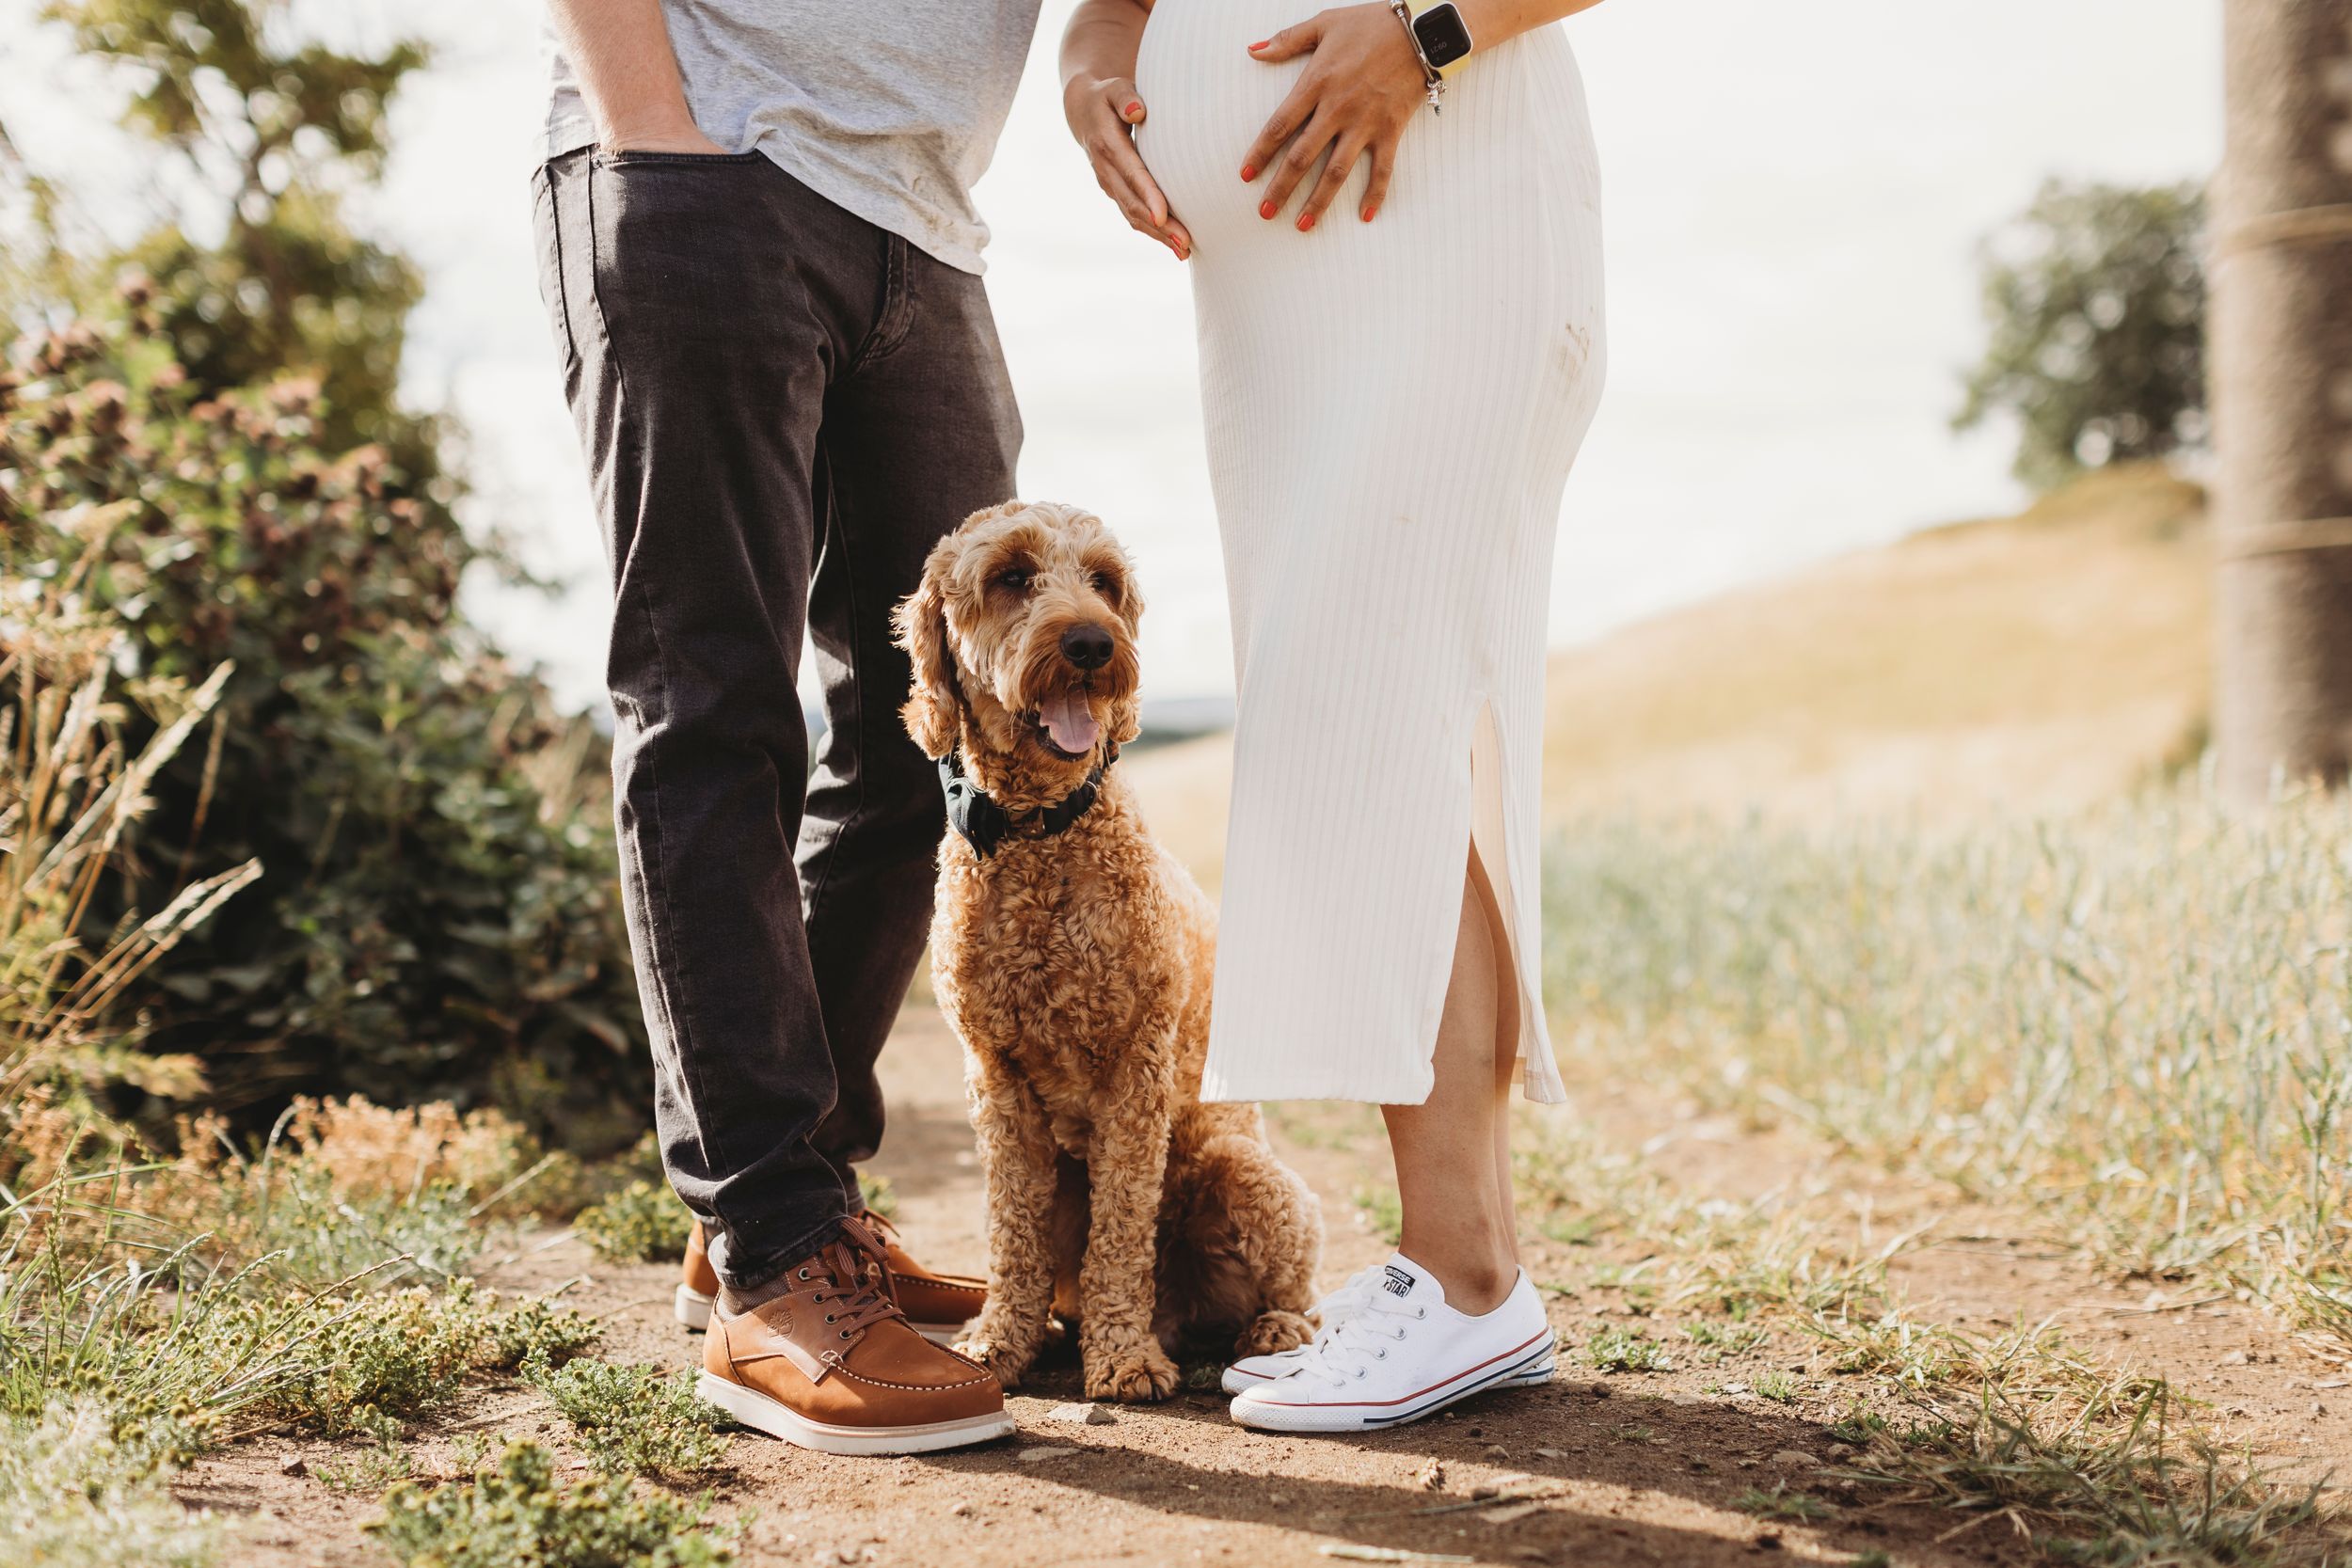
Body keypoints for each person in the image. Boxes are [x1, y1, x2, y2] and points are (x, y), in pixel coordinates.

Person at [1060, 0, 1611, 1431]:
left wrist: (1429, 31)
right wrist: (1094, 57)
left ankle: (1469, 1275)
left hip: (1439, 211)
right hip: (1289, 284)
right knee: (1371, 724)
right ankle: (1468, 1277)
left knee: (1369, 714)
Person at [529, 0, 1047, 1455]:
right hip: (711, 160)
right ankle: (771, 1254)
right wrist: (654, 135)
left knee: (938, 724)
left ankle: (794, 1201)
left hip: (927, 228)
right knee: (714, 707)